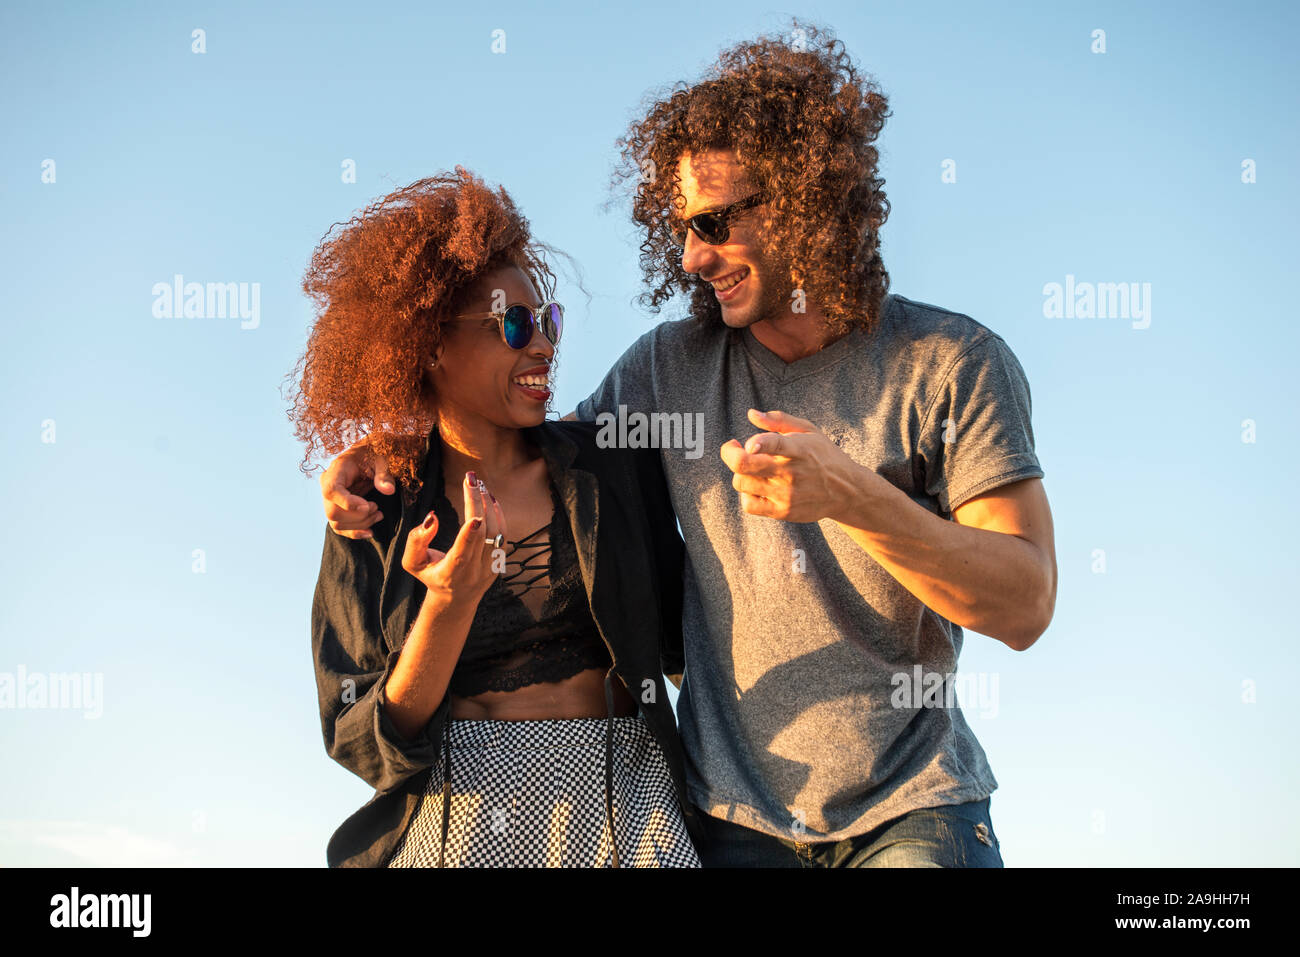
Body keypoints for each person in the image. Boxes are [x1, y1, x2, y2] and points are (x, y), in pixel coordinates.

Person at [319, 23, 1057, 867]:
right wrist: (385, 443)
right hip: (729, 820)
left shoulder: (952, 364)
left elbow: (1026, 602)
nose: (691, 256)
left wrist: (851, 495)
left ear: (805, 196)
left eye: (712, 221)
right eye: (681, 227)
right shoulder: (668, 370)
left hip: (911, 810)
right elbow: (514, 438)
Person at [288, 168, 702, 867]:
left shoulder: (613, 465)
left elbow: (686, 641)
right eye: (512, 324)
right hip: (464, 820)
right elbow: (360, 737)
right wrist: (447, 605)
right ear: (429, 345)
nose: (542, 344)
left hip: (628, 811)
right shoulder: (372, 514)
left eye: (547, 322)